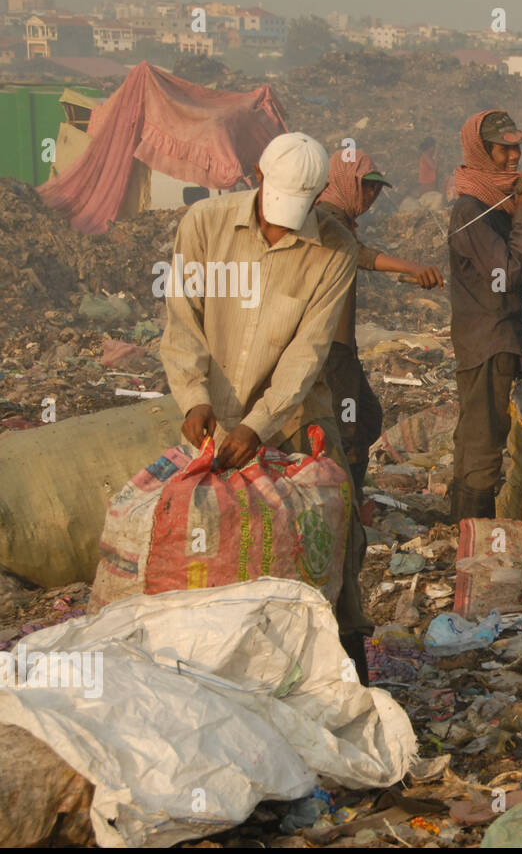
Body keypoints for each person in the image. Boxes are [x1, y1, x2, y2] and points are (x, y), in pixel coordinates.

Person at [159, 131, 372, 684]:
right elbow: (183, 321)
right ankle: (211, 671)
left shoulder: (334, 249)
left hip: (297, 415)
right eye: (276, 213)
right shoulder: (203, 226)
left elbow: (307, 354)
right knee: (208, 544)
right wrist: (193, 396)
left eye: (293, 217)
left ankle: (345, 679)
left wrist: (260, 424)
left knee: (335, 544)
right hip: (213, 415)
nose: (280, 229)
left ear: (321, 195)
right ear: (257, 175)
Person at [315, 147, 444, 491]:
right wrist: (411, 267)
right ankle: (345, 504)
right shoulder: (325, 217)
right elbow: (358, 254)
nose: (372, 195)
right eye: (366, 186)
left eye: (376, 188)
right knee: (350, 430)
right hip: (330, 347)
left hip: (342, 347)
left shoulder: (338, 220)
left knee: (368, 419)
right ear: (344, 182)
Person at [445, 110, 522, 521]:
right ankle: (476, 532)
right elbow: (507, 275)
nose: (514, 156)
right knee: (484, 441)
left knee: (473, 435)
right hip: (488, 340)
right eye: (505, 148)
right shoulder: (473, 209)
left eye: (516, 146)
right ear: (481, 151)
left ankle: (460, 532)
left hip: (490, 338)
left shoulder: (490, 203)